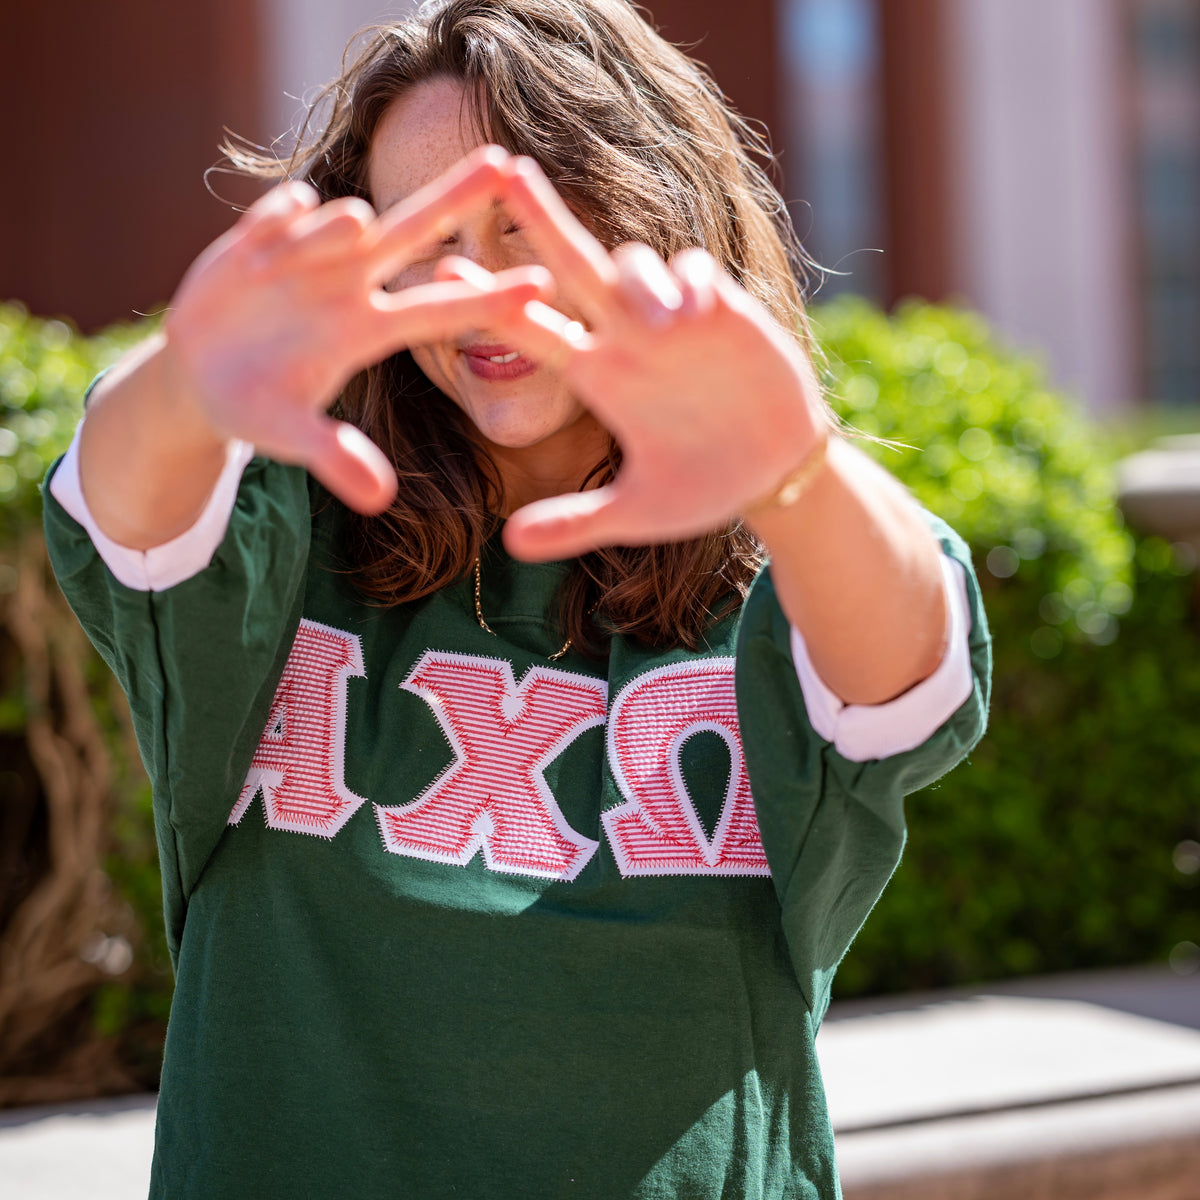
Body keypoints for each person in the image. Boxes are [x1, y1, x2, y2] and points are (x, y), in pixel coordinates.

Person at [43, 1, 990, 1196]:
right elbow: (122, 512)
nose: (478, 287)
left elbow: (912, 672)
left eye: (524, 223)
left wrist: (792, 477)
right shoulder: (290, 534)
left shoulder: (798, 552)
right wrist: (188, 379)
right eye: (425, 237)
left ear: (652, 211)